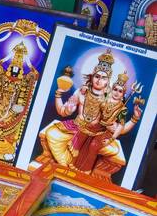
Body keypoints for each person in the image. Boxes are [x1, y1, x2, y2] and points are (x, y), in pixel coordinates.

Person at [37, 51, 133, 179]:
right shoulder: (81, 92)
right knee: (51, 134)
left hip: (96, 134)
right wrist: (58, 94)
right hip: (76, 127)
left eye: (103, 78)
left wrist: (132, 120)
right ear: (92, 76)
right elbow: (63, 112)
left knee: (105, 149)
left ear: (108, 81)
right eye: (97, 76)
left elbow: (118, 128)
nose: (99, 80)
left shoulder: (111, 98)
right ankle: (67, 166)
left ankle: (74, 171)